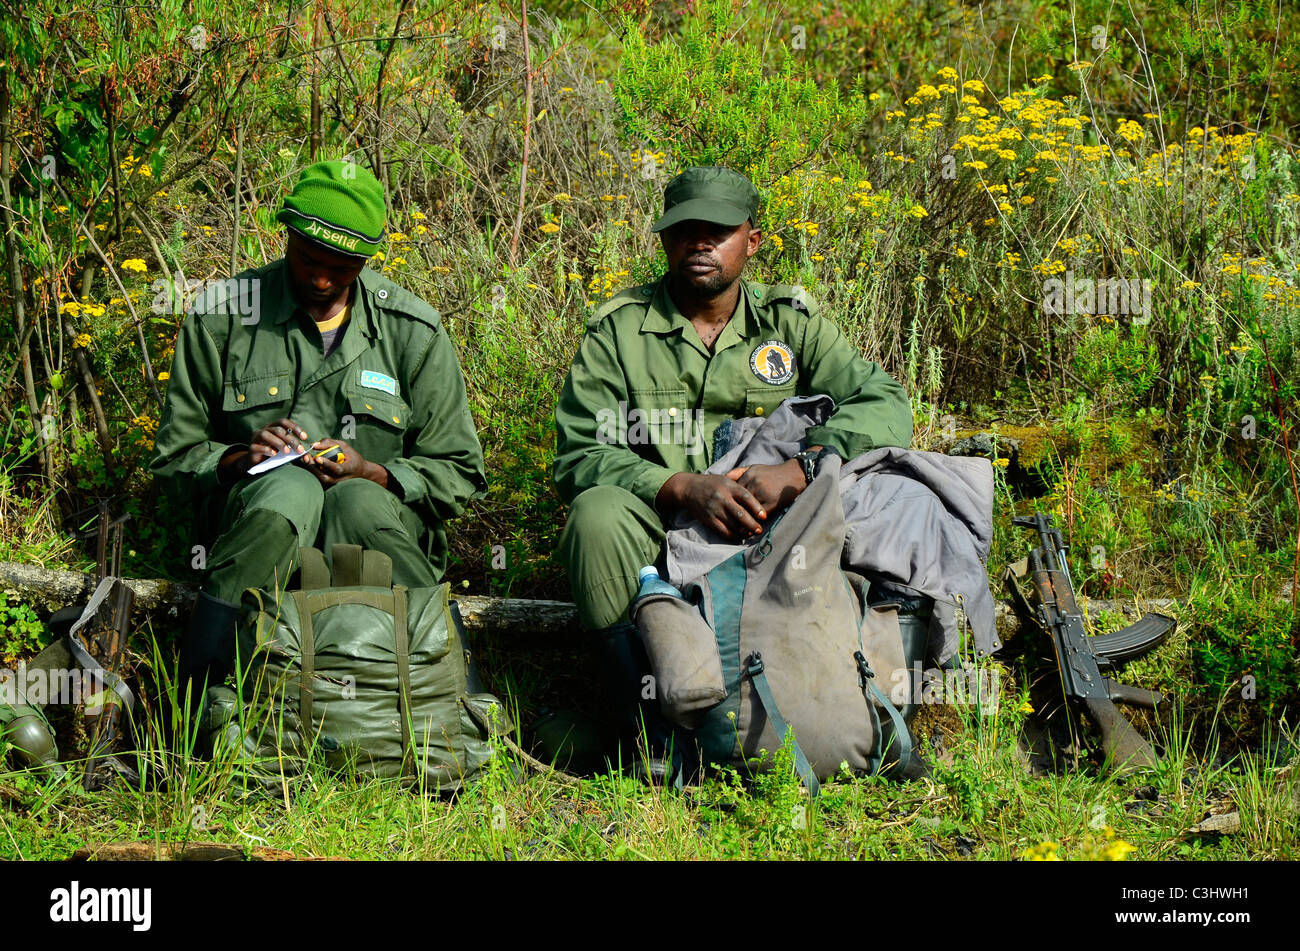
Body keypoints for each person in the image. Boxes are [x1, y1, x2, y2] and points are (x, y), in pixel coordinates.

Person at [552, 165, 914, 760]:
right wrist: (679, 487)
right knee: (595, 516)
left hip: (766, 532)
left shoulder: (789, 323)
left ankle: (829, 708)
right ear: (664, 239)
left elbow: (883, 401)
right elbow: (579, 454)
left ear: (753, 239)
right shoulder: (619, 332)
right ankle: (647, 736)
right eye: (685, 229)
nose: (700, 243)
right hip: (659, 534)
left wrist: (802, 470)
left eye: (718, 231)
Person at [152, 159, 487, 702]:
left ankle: (456, 704)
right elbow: (173, 459)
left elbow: (459, 470)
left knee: (356, 501)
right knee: (291, 487)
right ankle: (201, 704)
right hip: (257, 535)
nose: (322, 278)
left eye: (343, 266)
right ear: (284, 235)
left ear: (367, 260)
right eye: (308, 259)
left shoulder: (412, 331)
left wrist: (374, 473)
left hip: (373, 536)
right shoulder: (224, 314)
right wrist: (241, 459)